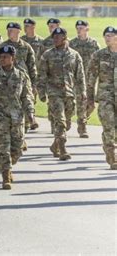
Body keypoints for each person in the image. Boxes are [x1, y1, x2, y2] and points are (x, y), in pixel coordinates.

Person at [0, 45, 34, 190]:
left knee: (17, 149)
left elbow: (26, 96)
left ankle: (7, 165)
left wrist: (30, 114)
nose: (2, 59)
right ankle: (5, 175)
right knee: (3, 147)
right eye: (1, 57)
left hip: (17, 118)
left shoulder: (22, 76)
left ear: (13, 58)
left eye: (6, 57)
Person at [37, 28, 86, 161]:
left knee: (68, 123)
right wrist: (41, 92)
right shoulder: (47, 55)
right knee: (60, 121)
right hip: (54, 92)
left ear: (65, 38)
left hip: (70, 93)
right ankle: (62, 149)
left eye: (58, 37)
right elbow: (41, 75)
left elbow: (80, 76)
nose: (56, 39)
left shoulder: (74, 55)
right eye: (54, 37)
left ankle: (55, 145)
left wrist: (83, 92)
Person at [86, 26, 117, 170]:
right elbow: (91, 78)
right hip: (106, 98)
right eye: (106, 35)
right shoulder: (98, 55)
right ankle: (112, 157)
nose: (107, 38)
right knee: (109, 126)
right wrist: (90, 99)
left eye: (110, 35)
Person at [69, 20, 100, 138]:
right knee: (81, 102)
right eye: (77, 27)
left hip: (90, 79)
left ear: (87, 29)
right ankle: (82, 127)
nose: (79, 30)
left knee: (91, 105)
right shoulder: (72, 44)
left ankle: (82, 119)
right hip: (76, 79)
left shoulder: (94, 44)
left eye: (81, 28)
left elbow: (98, 60)